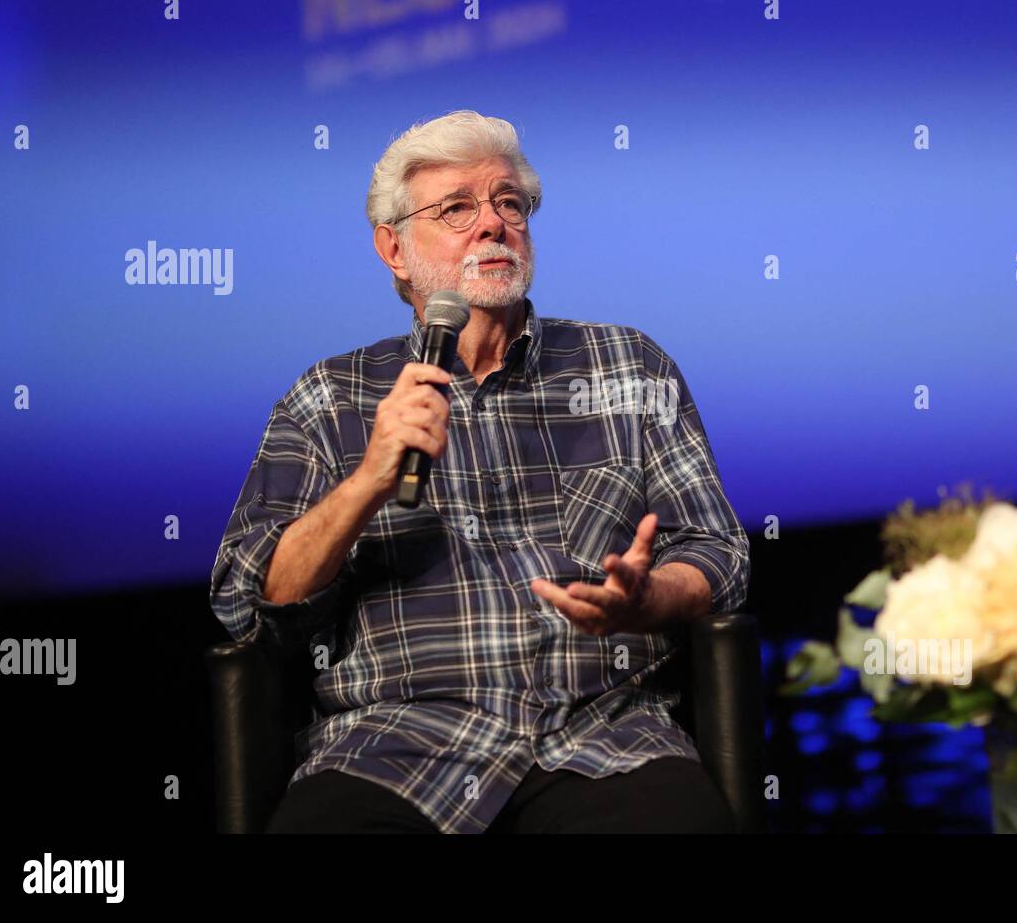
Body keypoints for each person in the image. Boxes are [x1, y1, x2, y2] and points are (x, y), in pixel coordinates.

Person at [209, 110, 750, 833]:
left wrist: (650, 598)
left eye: (508, 203)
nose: (492, 224)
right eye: (456, 208)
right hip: (396, 749)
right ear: (393, 250)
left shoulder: (627, 366)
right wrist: (369, 479)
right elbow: (248, 598)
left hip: (602, 737)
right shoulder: (330, 396)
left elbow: (719, 550)